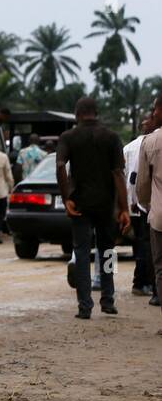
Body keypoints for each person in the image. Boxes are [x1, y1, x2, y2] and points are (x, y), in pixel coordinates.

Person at [56, 97, 131, 319]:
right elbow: (118, 173)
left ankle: (84, 306)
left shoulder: (68, 137)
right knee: (107, 251)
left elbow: (60, 166)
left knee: (80, 252)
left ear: (77, 114)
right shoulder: (111, 137)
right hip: (106, 205)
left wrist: (66, 196)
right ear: (96, 113)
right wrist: (123, 208)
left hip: (80, 204)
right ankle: (108, 300)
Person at [135, 95, 162, 310]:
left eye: (155, 109)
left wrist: (146, 205)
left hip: (157, 215)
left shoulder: (151, 142)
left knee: (160, 266)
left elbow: (142, 183)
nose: (153, 114)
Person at [125, 112, 156, 297]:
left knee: (108, 246)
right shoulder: (151, 145)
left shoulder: (127, 148)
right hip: (143, 204)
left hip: (127, 206)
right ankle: (142, 282)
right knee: (145, 245)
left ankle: (104, 281)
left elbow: (124, 177)